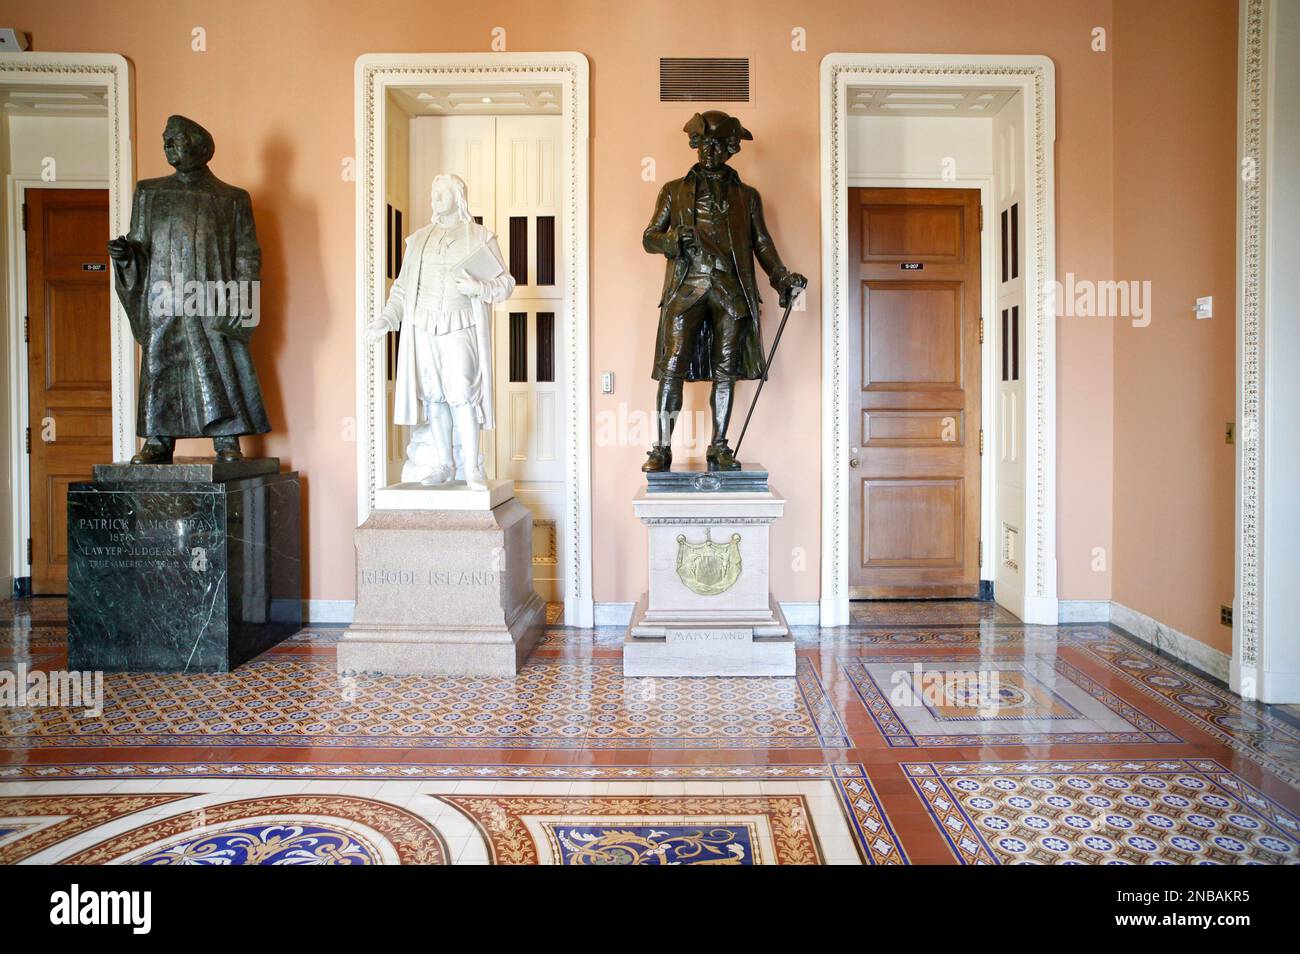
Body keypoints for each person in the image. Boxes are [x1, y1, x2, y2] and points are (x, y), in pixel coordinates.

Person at [641, 110, 806, 473]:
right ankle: (662, 447)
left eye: (718, 145)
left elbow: (762, 243)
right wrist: (670, 240)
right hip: (687, 288)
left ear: (731, 148)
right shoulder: (673, 190)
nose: (710, 152)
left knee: (725, 371)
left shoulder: (747, 196)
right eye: (705, 144)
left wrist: (781, 277)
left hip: (731, 291)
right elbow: (649, 237)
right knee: (672, 368)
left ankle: (719, 446)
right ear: (696, 144)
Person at [108, 115, 269, 464]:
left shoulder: (232, 198)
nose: (168, 144)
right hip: (162, 298)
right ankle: (159, 440)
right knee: (160, 362)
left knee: (219, 364)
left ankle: (227, 439)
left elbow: (247, 254)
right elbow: (139, 245)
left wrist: (243, 303)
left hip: (211, 299)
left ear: (200, 146)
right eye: (165, 138)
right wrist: (125, 256)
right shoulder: (149, 192)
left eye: (177, 138)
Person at [366, 174, 514, 489]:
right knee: (435, 398)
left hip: (460, 324)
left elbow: (505, 283)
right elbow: (403, 291)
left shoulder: (479, 236)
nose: (436, 196)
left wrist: (479, 286)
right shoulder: (418, 240)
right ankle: (445, 465)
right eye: (433, 191)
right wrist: (386, 320)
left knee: (461, 394)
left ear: (458, 197)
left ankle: (471, 468)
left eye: (443, 191)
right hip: (423, 326)